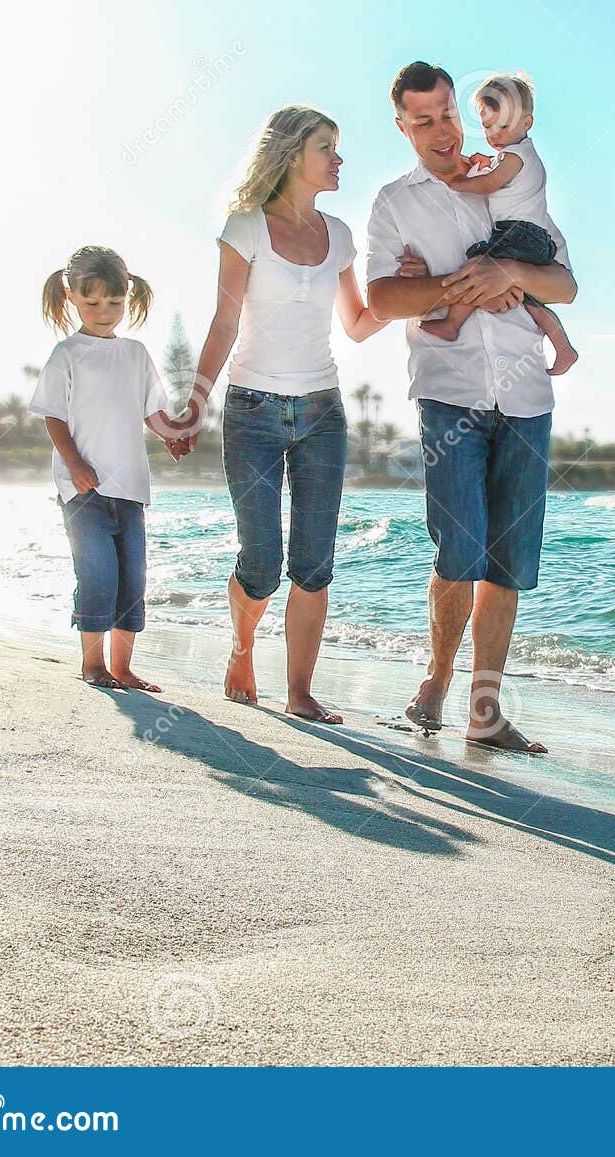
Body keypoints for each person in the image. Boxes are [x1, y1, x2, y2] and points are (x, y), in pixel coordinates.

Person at [176, 104, 420, 724]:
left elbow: (358, 323)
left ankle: (300, 692)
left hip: (322, 413)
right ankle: (241, 649)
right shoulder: (246, 227)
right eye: (326, 147)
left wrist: (406, 288)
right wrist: (195, 404)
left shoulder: (339, 235)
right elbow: (225, 321)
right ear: (291, 155)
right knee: (260, 564)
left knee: (313, 564)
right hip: (252, 410)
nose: (338, 159)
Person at [365, 62, 578, 754]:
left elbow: (565, 284)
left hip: (526, 396)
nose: (442, 131)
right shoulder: (394, 203)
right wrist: (455, 284)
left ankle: (485, 712)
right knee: (459, 549)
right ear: (403, 126)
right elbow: (381, 299)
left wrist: (509, 271)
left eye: (448, 114)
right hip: (448, 391)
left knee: (508, 560)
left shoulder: (509, 176)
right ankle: (436, 679)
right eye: (423, 120)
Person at [31, 245, 185, 692]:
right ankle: (92, 664)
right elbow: (53, 416)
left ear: (128, 295)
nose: (104, 312)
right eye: (93, 302)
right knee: (97, 574)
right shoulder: (67, 353)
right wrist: (74, 464)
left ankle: (123, 667)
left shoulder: (136, 353)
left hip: (130, 489)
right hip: (83, 491)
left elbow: (153, 411)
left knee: (131, 580)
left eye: (114, 302)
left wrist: (173, 435)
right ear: (72, 297)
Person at [417, 72, 577, 377]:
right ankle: (564, 347)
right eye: (487, 127)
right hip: (533, 239)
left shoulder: (515, 156)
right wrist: (488, 162)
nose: (494, 135)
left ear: (527, 123)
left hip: (518, 233)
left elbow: (489, 183)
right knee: (530, 300)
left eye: (503, 126)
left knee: (478, 265)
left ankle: (452, 323)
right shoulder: (518, 155)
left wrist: (458, 182)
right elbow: (497, 173)